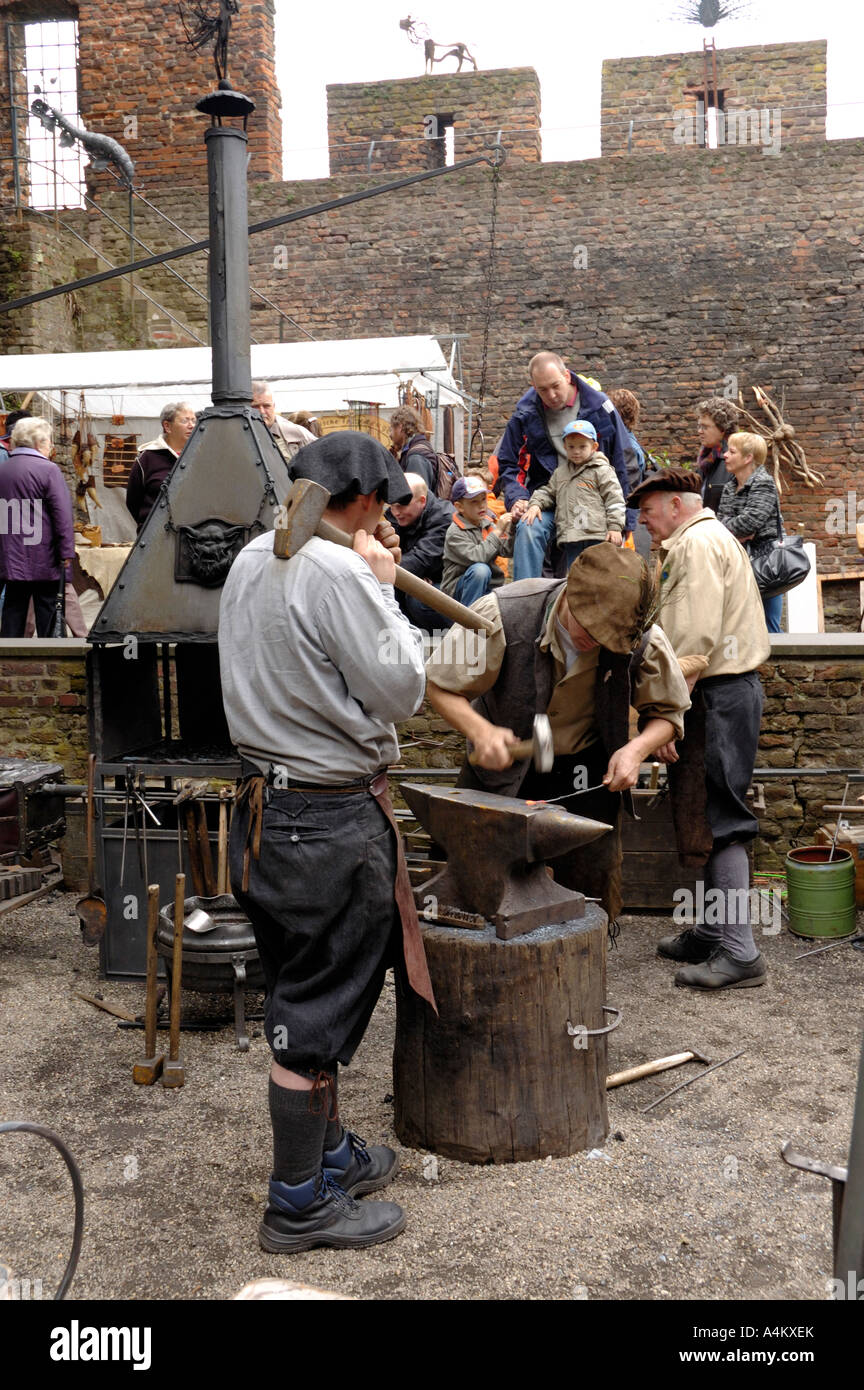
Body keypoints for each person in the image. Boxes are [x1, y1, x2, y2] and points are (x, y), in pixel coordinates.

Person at [218, 430, 435, 1254]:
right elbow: (402, 687)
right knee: (315, 1014)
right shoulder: (342, 570)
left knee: (302, 990)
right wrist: (384, 589)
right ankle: (299, 1200)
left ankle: (330, 1153)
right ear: (371, 502)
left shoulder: (248, 559)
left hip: (262, 814)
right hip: (326, 820)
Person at [426, 542, 690, 921]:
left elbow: (669, 712)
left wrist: (635, 750)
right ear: (567, 592)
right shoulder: (504, 613)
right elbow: (441, 685)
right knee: (471, 891)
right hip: (502, 770)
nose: (594, 642)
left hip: (587, 773)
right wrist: (481, 731)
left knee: (586, 898)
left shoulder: (641, 636)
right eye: (588, 627)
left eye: (605, 638)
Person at [628, 468, 771, 991]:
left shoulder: (696, 545)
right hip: (716, 694)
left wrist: (664, 715)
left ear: (674, 504)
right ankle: (714, 931)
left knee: (722, 816)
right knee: (703, 813)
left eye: (647, 510)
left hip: (717, 695)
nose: (641, 520)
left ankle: (741, 953)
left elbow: (693, 646)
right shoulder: (699, 540)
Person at [497, 351, 635, 581]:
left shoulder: (600, 407)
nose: (551, 395)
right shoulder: (526, 413)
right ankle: (523, 599)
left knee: (589, 564)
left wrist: (625, 521)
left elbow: (624, 461)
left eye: (555, 386)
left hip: (593, 502)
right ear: (533, 386)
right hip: (549, 496)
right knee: (528, 528)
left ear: (567, 376)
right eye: (542, 390)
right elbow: (509, 462)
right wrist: (518, 498)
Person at [0, 417, 75, 637]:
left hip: (10, 555)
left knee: (13, 609)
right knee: (48, 611)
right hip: (44, 555)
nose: (51, 445)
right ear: (39, 442)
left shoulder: (3, 469)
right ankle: (52, 662)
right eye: (49, 440)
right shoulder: (48, 470)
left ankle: (6, 662)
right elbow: (62, 516)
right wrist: (67, 553)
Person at [521, 420, 626, 569]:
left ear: (594, 447)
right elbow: (548, 492)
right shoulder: (561, 473)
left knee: (599, 576)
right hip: (571, 537)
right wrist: (536, 504)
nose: (576, 451)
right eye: (571, 447)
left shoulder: (602, 470)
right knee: (575, 577)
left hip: (596, 536)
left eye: (582, 446)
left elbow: (615, 500)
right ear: (564, 447)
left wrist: (615, 527)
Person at [717, 431, 784, 633]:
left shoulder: (763, 482)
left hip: (764, 562)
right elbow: (720, 523)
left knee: (768, 625)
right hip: (737, 561)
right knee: (741, 625)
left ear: (748, 458)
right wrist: (739, 530)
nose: (725, 455)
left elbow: (750, 522)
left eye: (732, 451)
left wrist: (738, 528)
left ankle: (778, 665)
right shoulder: (730, 487)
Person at [387, 471, 453, 632]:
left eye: (401, 506)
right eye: (392, 505)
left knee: (418, 598)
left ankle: (449, 637)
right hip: (419, 578)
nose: (396, 512)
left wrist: (383, 566)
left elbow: (421, 559)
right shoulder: (396, 515)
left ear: (422, 501)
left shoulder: (444, 517)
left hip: (447, 585)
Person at [441, 475, 512, 606]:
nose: (482, 506)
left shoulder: (487, 523)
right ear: (459, 507)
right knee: (480, 570)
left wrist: (513, 527)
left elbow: (508, 550)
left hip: (489, 586)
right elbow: (477, 557)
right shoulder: (455, 532)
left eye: (483, 499)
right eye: (474, 502)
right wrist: (497, 531)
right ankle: (469, 621)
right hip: (458, 591)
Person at [126, 402, 197, 528]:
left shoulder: (200, 456)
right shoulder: (146, 458)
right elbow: (133, 502)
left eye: (193, 421)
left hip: (193, 534)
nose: (191, 425)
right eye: (185, 421)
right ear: (167, 426)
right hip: (157, 534)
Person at [607, 388, 651, 559]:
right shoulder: (630, 441)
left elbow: (626, 489)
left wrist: (622, 526)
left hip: (628, 523)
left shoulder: (626, 446)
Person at [250, 381, 316, 464]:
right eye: (255, 407)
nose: (262, 411)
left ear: (273, 406)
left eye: (266, 406)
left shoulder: (298, 434)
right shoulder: (237, 433)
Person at [696, 396, 739, 513]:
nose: (699, 431)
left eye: (705, 427)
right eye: (699, 426)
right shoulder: (704, 459)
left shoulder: (736, 462)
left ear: (722, 429)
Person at [388, 405, 438, 494]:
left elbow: (417, 498)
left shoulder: (416, 457)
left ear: (400, 427)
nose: (390, 435)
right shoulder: (413, 451)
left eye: (391, 429)